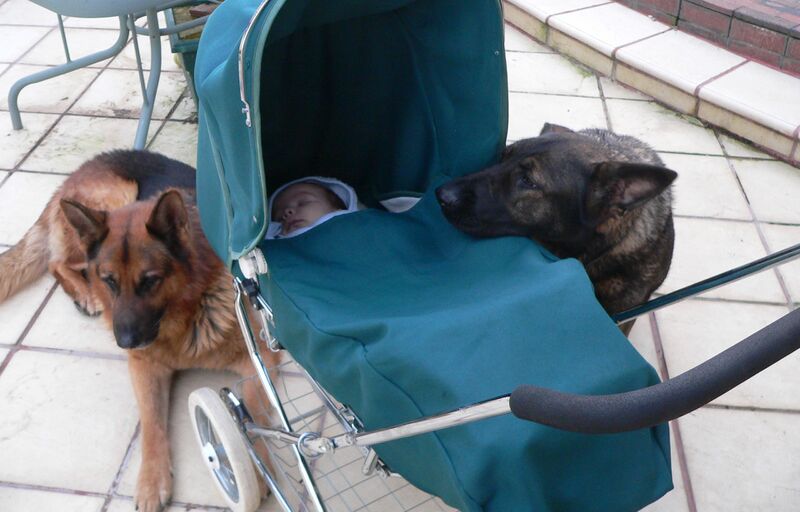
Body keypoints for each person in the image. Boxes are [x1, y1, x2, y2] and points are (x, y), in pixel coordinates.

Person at [266, 177, 359, 239]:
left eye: (302, 203)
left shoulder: (352, 231)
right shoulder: (277, 246)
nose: (287, 211)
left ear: (337, 210)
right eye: (279, 218)